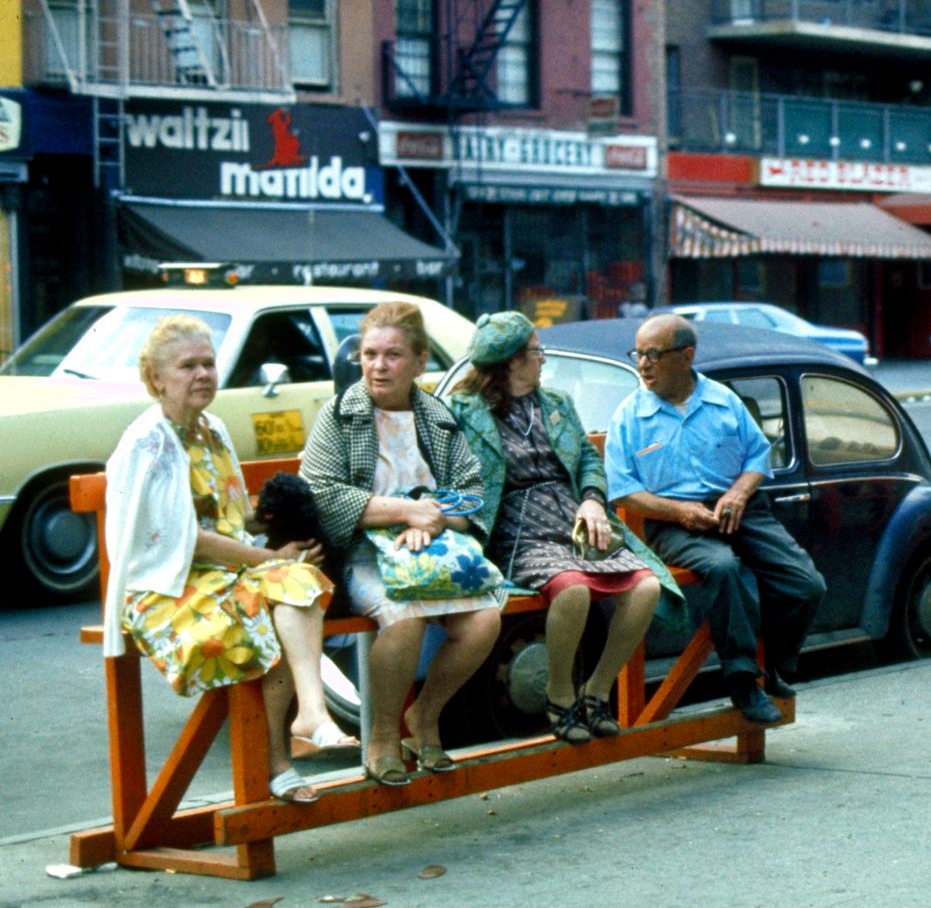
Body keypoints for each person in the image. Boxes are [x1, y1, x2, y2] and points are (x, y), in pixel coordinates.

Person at [104, 316, 351, 806]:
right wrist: (270, 558)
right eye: (187, 366)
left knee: (296, 583)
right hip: (164, 586)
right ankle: (281, 758)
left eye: (209, 364)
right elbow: (188, 542)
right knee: (271, 607)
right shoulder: (149, 440)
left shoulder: (212, 429)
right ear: (156, 377)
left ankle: (311, 716)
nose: (202, 374)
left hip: (222, 575)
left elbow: (234, 517)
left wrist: (290, 538)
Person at [449, 312, 687, 743]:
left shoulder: (556, 403)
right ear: (511, 361)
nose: (543, 360)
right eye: (536, 352)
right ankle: (559, 695)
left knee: (647, 588)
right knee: (573, 588)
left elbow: (587, 459)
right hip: (515, 526)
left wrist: (593, 500)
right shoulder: (464, 410)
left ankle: (595, 692)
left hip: (574, 516)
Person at [302, 302, 503, 786]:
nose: (377, 366)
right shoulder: (340, 415)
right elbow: (321, 494)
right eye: (369, 354)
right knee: (404, 615)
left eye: (393, 355)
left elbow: (472, 490)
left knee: (484, 618)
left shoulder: (438, 416)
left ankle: (425, 716)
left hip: (433, 551)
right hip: (361, 554)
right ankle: (382, 739)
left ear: (418, 361)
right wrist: (404, 512)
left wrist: (430, 521)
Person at [606, 314, 826, 724]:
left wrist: (739, 492)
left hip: (736, 508)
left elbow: (758, 457)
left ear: (687, 356)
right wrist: (680, 512)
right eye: (638, 354)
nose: (643, 364)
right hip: (668, 518)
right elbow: (622, 490)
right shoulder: (630, 415)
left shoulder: (723, 400)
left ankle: (775, 663)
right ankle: (742, 680)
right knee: (724, 567)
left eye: (654, 354)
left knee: (805, 583)